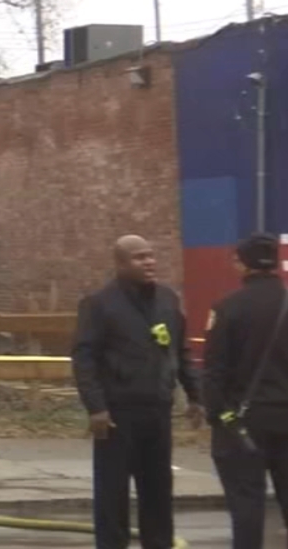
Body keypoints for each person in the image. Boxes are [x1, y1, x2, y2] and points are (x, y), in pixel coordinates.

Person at [71, 234, 202, 549]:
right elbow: (84, 358)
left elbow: (180, 350)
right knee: (113, 493)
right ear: (120, 264)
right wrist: (96, 407)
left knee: (157, 490)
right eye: (139, 257)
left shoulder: (168, 300)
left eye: (151, 255)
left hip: (157, 411)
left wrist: (196, 395)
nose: (149, 262)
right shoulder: (100, 304)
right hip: (117, 415)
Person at [203, 232, 288, 549]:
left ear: (242, 264)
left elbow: (214, 372)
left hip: (245, 424)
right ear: (276, 262)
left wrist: (220, 417)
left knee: (247, 505)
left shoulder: (228, 309)